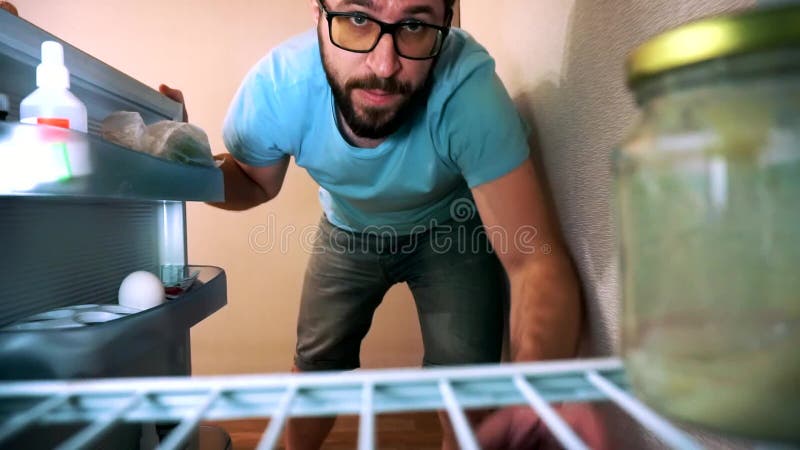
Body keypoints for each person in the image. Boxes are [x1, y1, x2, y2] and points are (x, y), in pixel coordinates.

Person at [162, 0, 589, 448]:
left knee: (469, 393)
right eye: (358, 19)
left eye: (415, 25)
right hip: (345, 229)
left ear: (446, 22)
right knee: (313, 372)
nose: (384, 65)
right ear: (318, 15)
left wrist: (531, 410)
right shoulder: (280, 88)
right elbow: (254, 182)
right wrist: (187, 166)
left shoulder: (470, 95)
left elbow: (534, 263)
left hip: (449, 229)